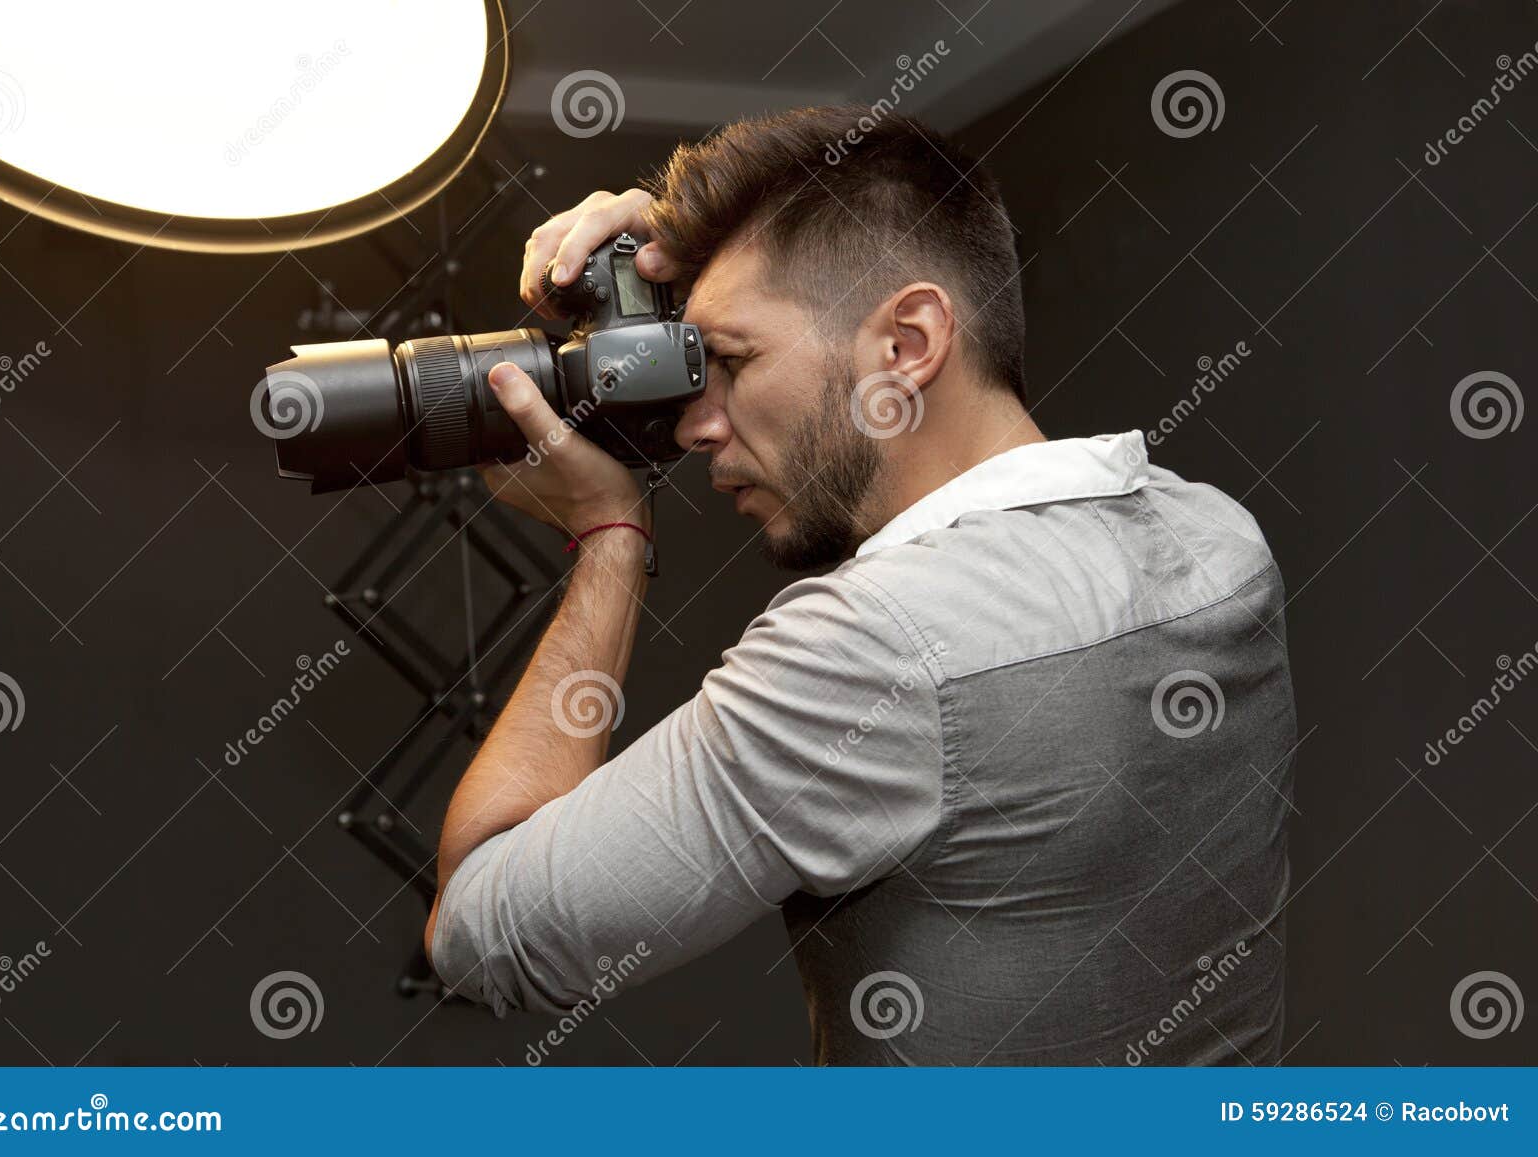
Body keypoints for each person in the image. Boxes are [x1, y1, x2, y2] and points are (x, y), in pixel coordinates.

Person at [424, 106, 1297, 1065]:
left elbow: (482, 931)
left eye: (732, 362)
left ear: (907, 342)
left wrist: (608, 535)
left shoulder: (875, 650)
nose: (691, 425)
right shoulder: (1216, 540)